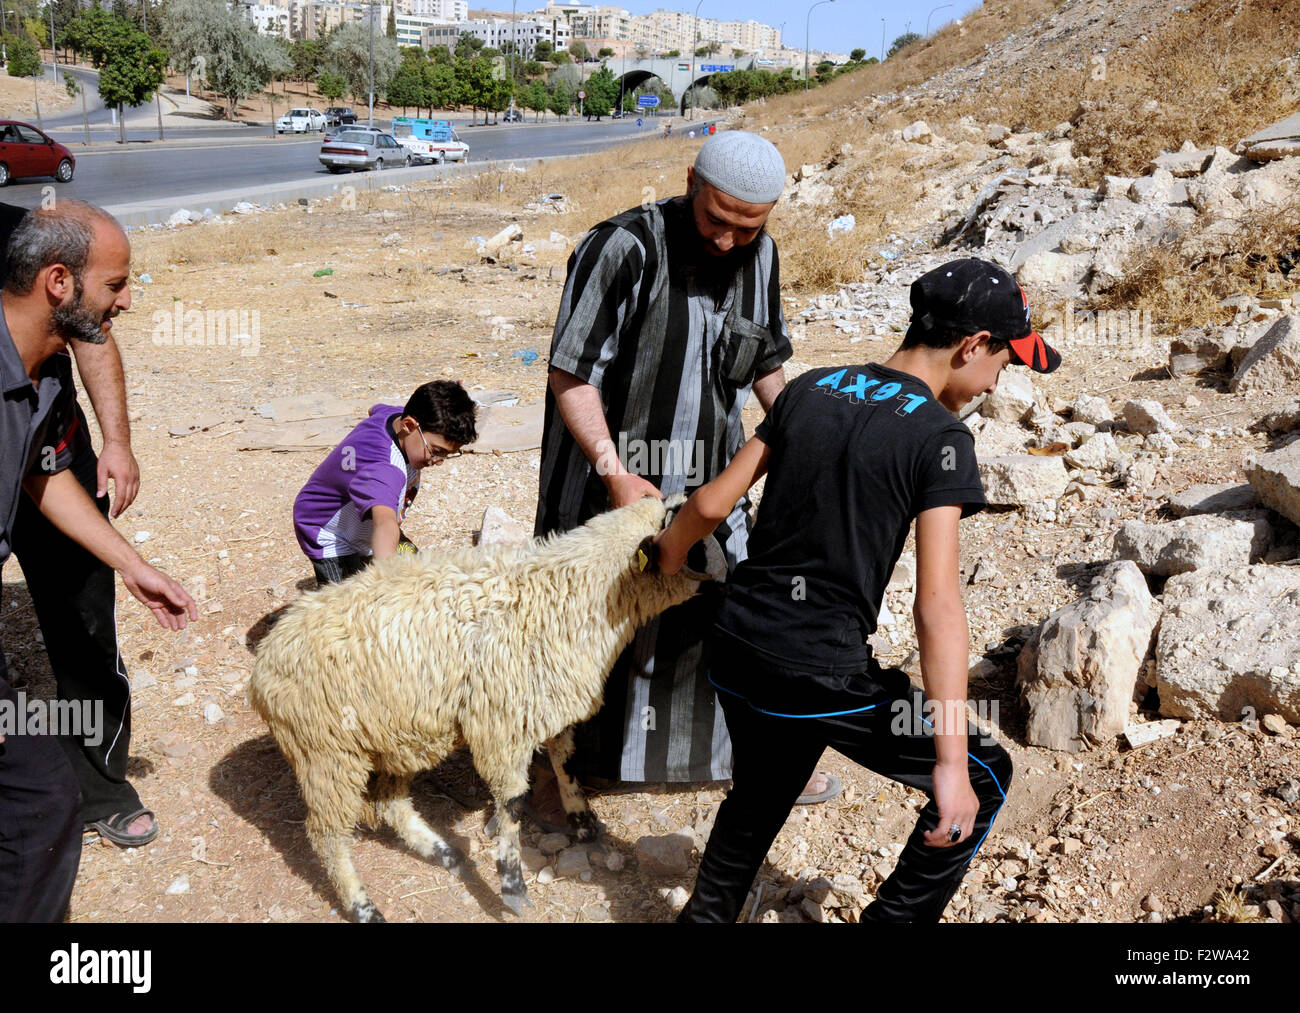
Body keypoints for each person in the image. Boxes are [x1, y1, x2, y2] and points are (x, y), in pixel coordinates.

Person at [656, 258, 1061, 922]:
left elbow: (710, 501)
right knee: (987, 779)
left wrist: (668, 557)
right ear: (973, 345)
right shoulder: (940, 438)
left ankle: (706, 915)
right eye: (1004, 364)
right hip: (817, 669)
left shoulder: (810, 388)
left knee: (765, 781)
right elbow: (937, 605)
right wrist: (950, 765)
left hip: (733, 646)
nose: (994, 383)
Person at [531, 129, 838, 825]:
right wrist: (613, 471)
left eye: (747, 227)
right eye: (716, 220)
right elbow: (570, 373)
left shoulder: (761, 259)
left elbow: (764, 360)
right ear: (690, 184)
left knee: (730, 611)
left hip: (708, 479)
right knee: (585, 622)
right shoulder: (623, 247)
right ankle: (556, 769)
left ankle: (751, 756)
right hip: (605, 479)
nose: (729, 240)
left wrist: (798, 436)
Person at [0, 201, 196, 921]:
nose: (129, 298)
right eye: (117, 283)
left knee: (41, 796)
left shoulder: (42, 371)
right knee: (38, 802)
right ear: (58, 283)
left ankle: (100, 786)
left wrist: (133, 564)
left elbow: (45, 476)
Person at [293, 380, 477, 586]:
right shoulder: (384, 469)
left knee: (423, 577)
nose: (439, 460)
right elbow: (384, 522)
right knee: (349, 603)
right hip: (330, 533)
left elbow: (375, 409)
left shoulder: (395, 417)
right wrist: (386, 585)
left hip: (363, 523)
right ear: (409, 425)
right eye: (436, 451)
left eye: (448, 454)